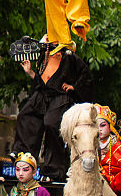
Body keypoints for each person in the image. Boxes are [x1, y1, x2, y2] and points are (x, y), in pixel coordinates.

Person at [12, 37, 93, 180]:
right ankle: (23, 154)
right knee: (25, 116)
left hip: (59, 96)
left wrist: (74, 87)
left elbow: (85, 76)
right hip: (42, 96)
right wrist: (30, 72)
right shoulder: (43, 56)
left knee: (52, 124)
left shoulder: (68, 56)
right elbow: (41, 81)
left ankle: (54, 170)